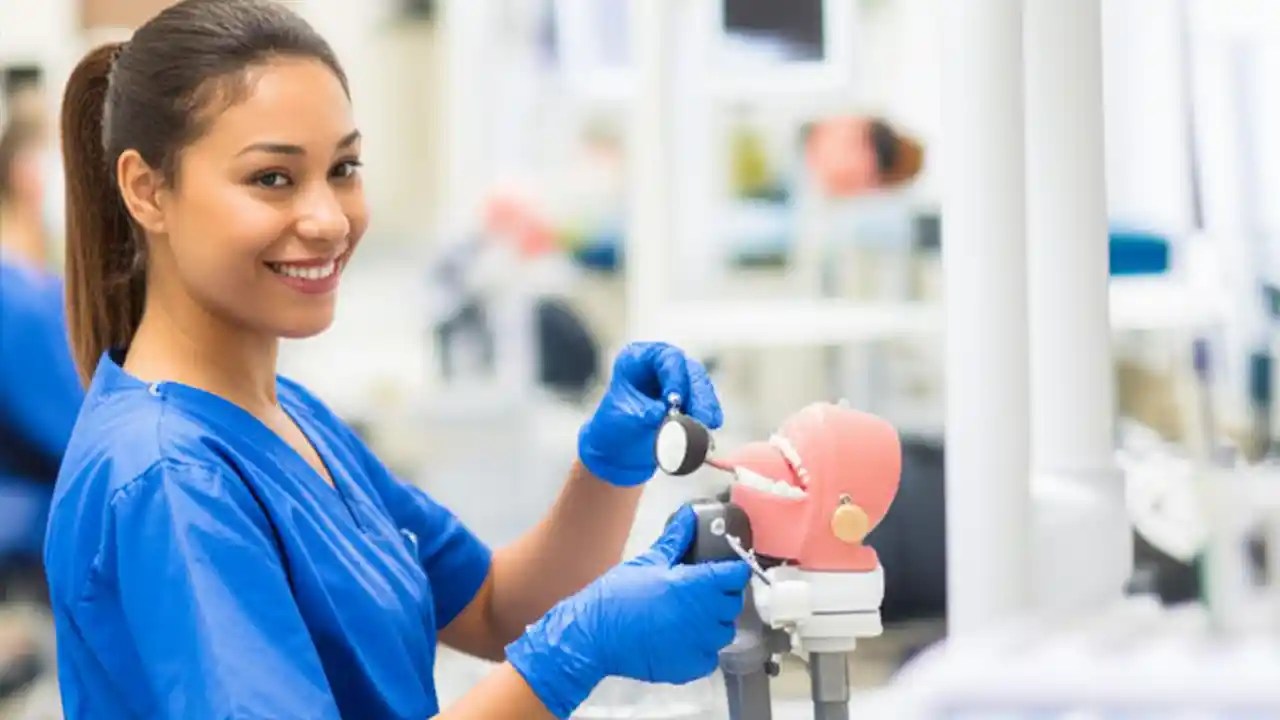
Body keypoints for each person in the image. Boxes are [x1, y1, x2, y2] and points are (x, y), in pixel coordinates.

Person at [42, 2, 749, 719]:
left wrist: (608, 468)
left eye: (343, 168)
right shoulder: (170, 478)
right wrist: (580, 648)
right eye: (272, 179)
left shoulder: (287, 416)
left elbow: (497, 606)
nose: (329, 219)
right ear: (146, 189)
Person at [0, 113, 84, 598]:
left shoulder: (45, 288)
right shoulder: (17, 299)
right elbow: (77, 438)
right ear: (28, 174)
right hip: (30, 553)